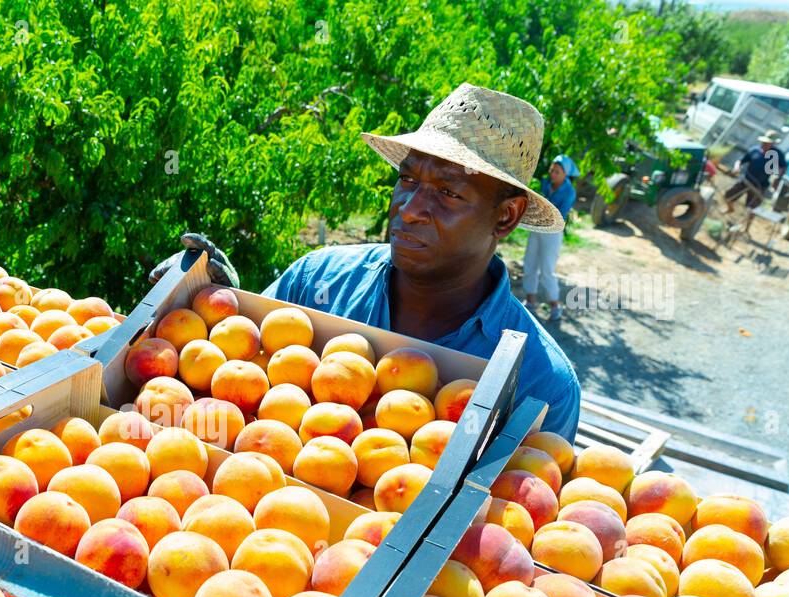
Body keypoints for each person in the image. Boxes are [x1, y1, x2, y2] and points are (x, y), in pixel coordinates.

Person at [149, 83, 582, 440]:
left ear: (505, 217)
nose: (410, 208)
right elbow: (232, 374)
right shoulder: (316, 280)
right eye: (408, 178)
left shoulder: (541, 387)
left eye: (448, 193)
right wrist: (202, 299)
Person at [523, 154, 578, 322]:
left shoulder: (569, 191)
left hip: (553, 232)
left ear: (565, 174)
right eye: (552, 170)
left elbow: (560, 215)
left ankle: (555, 304)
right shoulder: (546, 183)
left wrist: (541, 216)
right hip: (538, 227)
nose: (553, 174)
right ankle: (531, 301)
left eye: (557, 172)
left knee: (547, 269)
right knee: (529, 262)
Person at [722, 132, 785, 212]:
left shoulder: (777, 154)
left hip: (760, 185)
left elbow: (782, 167)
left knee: (753, 209)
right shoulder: (754, 150)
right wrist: (737, 168)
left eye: (768, 143)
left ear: (772, 144)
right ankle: (730, 209)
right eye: (765, 142)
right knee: (728, 195)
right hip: (746, 180)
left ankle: (747, 223)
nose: (765, 144)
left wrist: (777, 177)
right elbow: (740, 161)